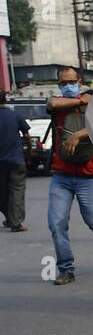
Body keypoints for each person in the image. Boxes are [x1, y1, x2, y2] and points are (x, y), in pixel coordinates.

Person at [44, 66, 93, 283]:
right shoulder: (59, 103)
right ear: (59, 84)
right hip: (61, 176)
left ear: (79, 80)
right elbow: (52, 103)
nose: (68, 85)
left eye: (71, 81)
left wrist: (78, 134)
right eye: (63, 82)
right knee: (56, 223)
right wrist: (81, 100)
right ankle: (66, 269)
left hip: (89, 175)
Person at [0, 90, 31, 231]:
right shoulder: (14, 115)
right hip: (16, 159)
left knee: (3, 192)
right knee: (17, 191)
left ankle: (10, 218)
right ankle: (15, 222)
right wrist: (29, 151)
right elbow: (27, 135)